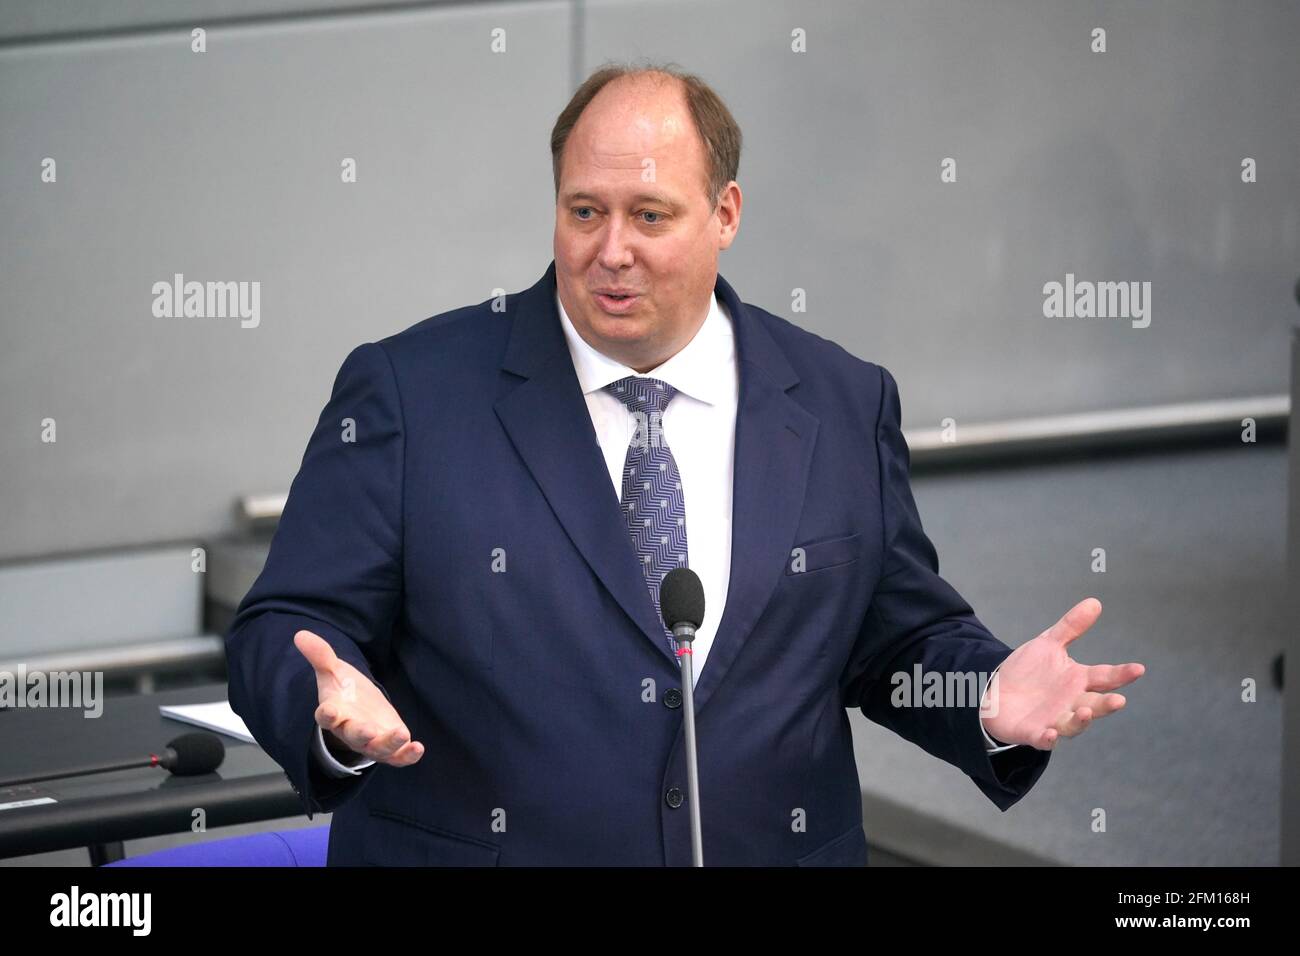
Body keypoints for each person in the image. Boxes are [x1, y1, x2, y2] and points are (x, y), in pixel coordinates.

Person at [225, 63, 1145, 866]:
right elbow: (289, 622)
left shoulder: (838, 399)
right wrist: (321, 702)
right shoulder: (411, 394)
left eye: (649, 215)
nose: (610, 250)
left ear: (726, 214)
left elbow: (894, 642)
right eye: (584, 211)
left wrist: (983, 695)